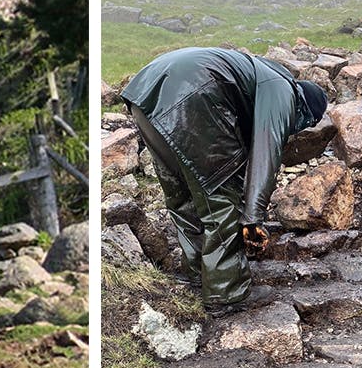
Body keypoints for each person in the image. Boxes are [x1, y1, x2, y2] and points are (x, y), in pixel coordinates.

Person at [119, 47, 329, 312]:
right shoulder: (284, 90)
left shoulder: (260, 73)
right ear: (304, 107)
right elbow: (266, 151)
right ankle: (225, 294)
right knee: (220, 196)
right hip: (193, 93)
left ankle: (199, 274)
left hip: (145, 91)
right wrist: (253, 217)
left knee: (183, 191)